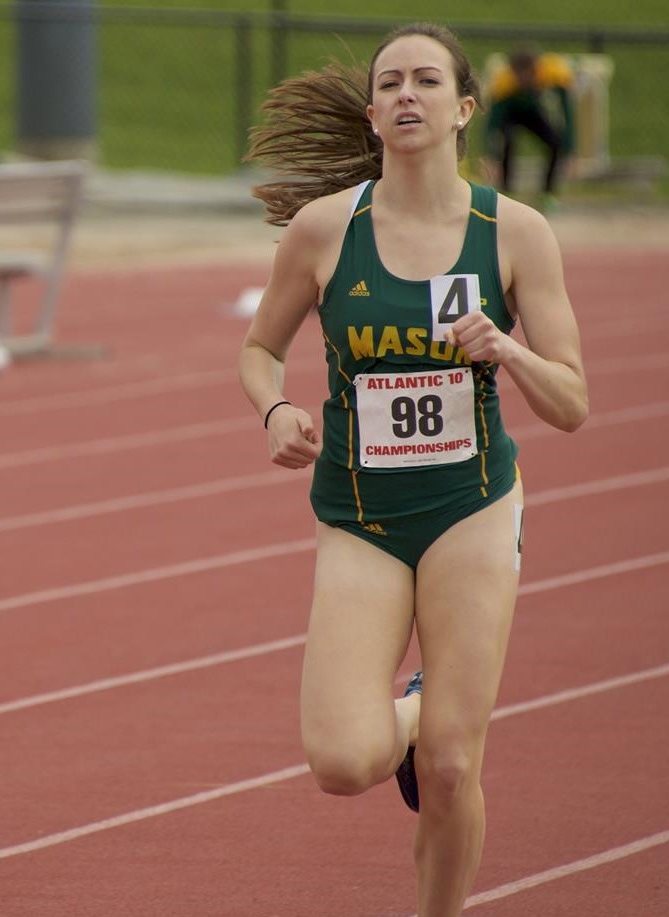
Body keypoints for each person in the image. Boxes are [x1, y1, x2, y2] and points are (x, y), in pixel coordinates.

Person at [238, 23, 587, 917]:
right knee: (342, 761)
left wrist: (503, 346)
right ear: (371, 114)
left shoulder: (514, 233)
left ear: (463, 107)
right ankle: (414, 710)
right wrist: (275, 408)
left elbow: (571, 403)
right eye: (389, 82)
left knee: (452, 762)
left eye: (425, 80)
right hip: (358, 512)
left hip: (470, 505)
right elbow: (257, 348)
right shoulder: (325, 230)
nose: (405, 94)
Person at [484, 46, 577, 209]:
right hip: (510, 112)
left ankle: (547, 193)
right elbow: (493, 123)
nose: (523, 80)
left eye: (527, 75)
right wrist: (490, 155)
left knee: (554, 142)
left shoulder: (552, 72)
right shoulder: (504, 82)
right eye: (519, 76)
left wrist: (569, 149)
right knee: (508, 140)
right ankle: (506, 191)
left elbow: (567, 112)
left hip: (532, 111)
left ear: (536, 70)